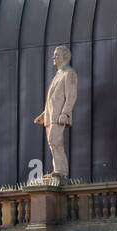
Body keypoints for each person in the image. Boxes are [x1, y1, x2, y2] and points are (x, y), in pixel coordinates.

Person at [34, 46, 77, 181]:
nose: (53, 57)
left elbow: (71, 95)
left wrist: (65, 113)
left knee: (55, 141)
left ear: (65, 57)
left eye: (56, 55)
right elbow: (53, 99)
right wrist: (43, 115)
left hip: (59, 116)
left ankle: (61, 171)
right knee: (52, 143)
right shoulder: (58, 74)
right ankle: (58, 170)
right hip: (50, 116)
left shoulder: (69, 73)